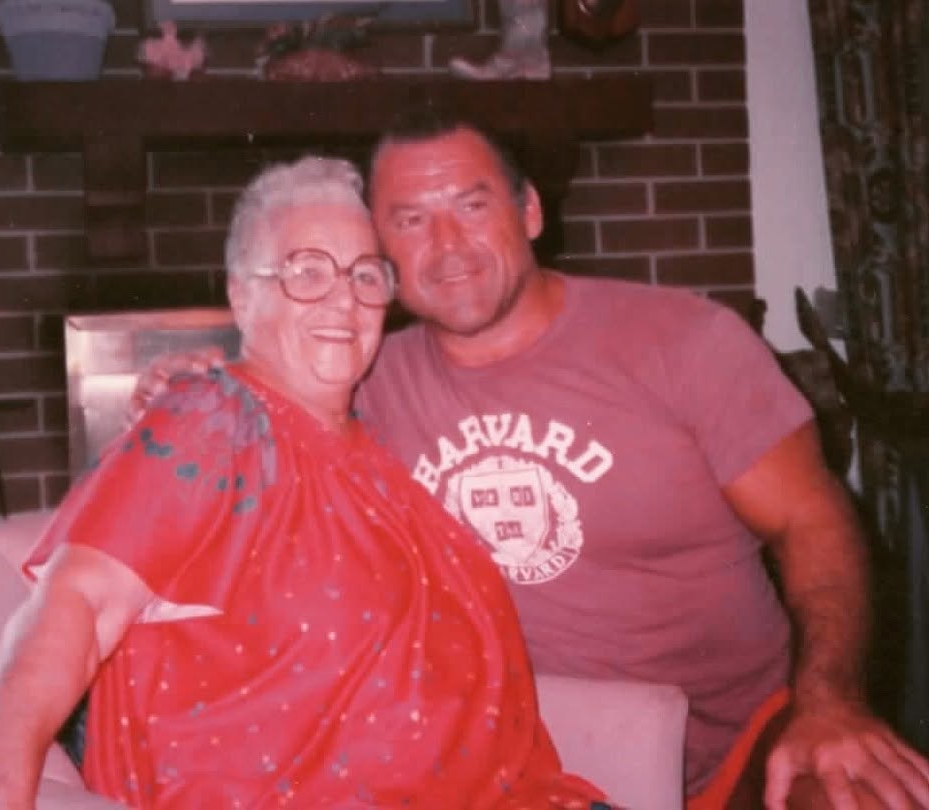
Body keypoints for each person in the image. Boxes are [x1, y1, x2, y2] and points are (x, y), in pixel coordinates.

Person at [134, 113, 929, 810]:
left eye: (472, 205)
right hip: (499, 772)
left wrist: (831, 700)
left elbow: (814, 520)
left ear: (532, 211)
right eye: (410, 220)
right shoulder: (361, 382)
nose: (447, 246)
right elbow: (250, 432)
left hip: (743, 746)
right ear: (381, 253)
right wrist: (197, 384)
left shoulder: (683, 341)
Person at [0, 155, 606, 810]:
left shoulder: (374, 443)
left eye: (364, 275)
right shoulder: (212, 421)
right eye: (307, 271)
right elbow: (81, 601)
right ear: (242, 296)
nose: (344, 300)